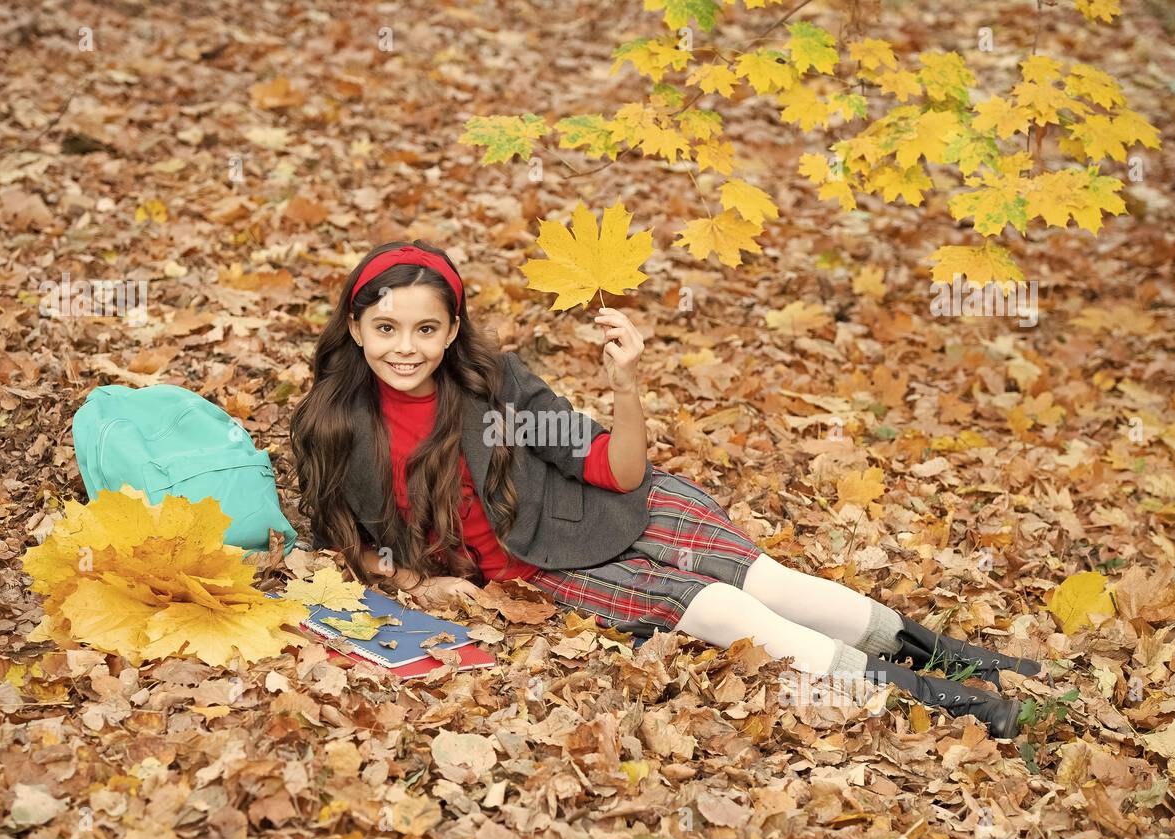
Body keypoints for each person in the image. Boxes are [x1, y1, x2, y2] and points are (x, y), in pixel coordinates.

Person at [289, 240, 1044, 738]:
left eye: (426, 329)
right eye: (386, 327)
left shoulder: (496, 386)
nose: (406, 347)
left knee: (771, 579)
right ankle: (941, 696)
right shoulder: (334, 425)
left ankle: (958, 656)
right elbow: (348, 538)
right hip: (553, 564)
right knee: (727, 612)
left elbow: (612, 468)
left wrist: (625, 387)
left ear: (453, 331)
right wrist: (423, 582)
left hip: (615, 505)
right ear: (354, 328)